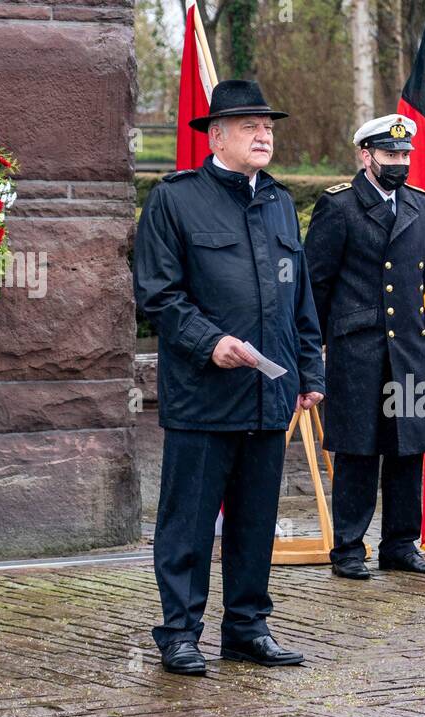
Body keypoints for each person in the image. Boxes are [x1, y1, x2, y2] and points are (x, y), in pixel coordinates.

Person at [134, 80, 325, 674]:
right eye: (249, 126)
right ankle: (180, 633)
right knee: (189, 520)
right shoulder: (175, 200)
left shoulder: (280, 201)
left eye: (268, 126)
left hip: (270, 393)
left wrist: (310, 369)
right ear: (216, 135)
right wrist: (209, 342)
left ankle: (247, 627)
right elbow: (158, 297)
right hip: (204, 395)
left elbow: (301, 298)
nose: (264, 134)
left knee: (254, 519)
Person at [303, 114, 425, 580]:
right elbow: (315, 284)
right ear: (366, 156)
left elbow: (418, 277)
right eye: (390, 154)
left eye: (405, 154)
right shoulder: (338, 206)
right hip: (358, 348)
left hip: (409, 345)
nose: (400, 162)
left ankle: (401, 544)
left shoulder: (420, 205)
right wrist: (311, 351)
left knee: (408, 449)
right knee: (359, 449)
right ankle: (347, 548)